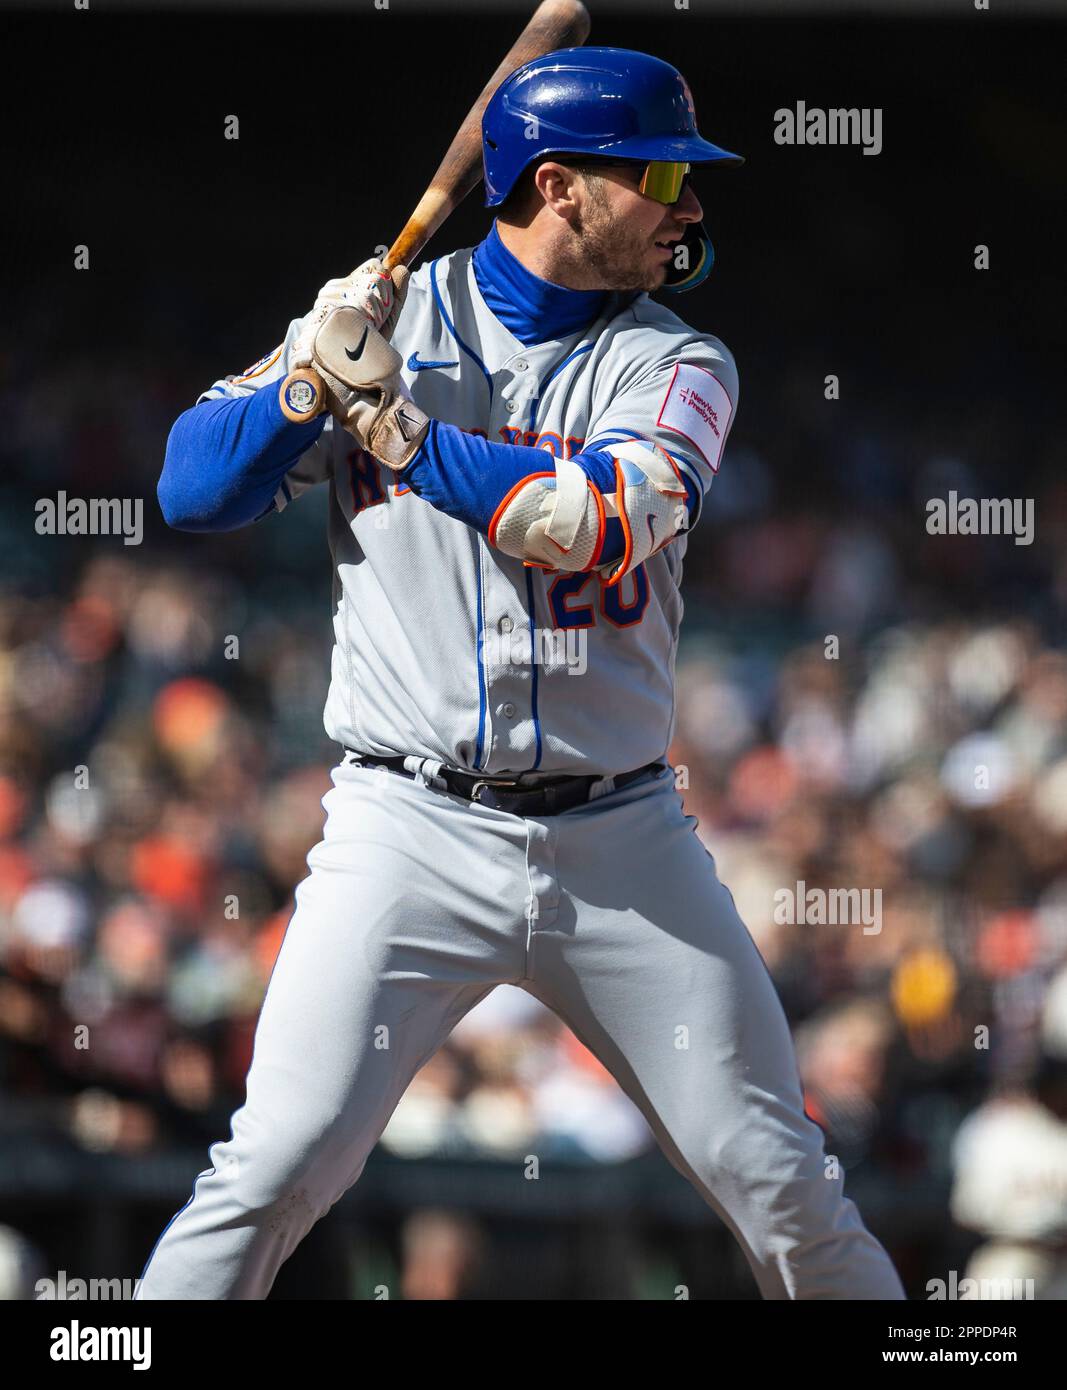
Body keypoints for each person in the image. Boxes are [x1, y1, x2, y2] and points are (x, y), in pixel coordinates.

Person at [138, 47, 904, 1300]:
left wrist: (394, 431)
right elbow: (190, 489)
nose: (692, 207)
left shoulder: (679, 360)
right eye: (663, 176)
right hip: (406, 826)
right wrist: (300, 381)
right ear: (560, 187)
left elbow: (595, 516)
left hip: (620, 842)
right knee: (275, 1162)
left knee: (779, 1182)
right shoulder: (382, 317)